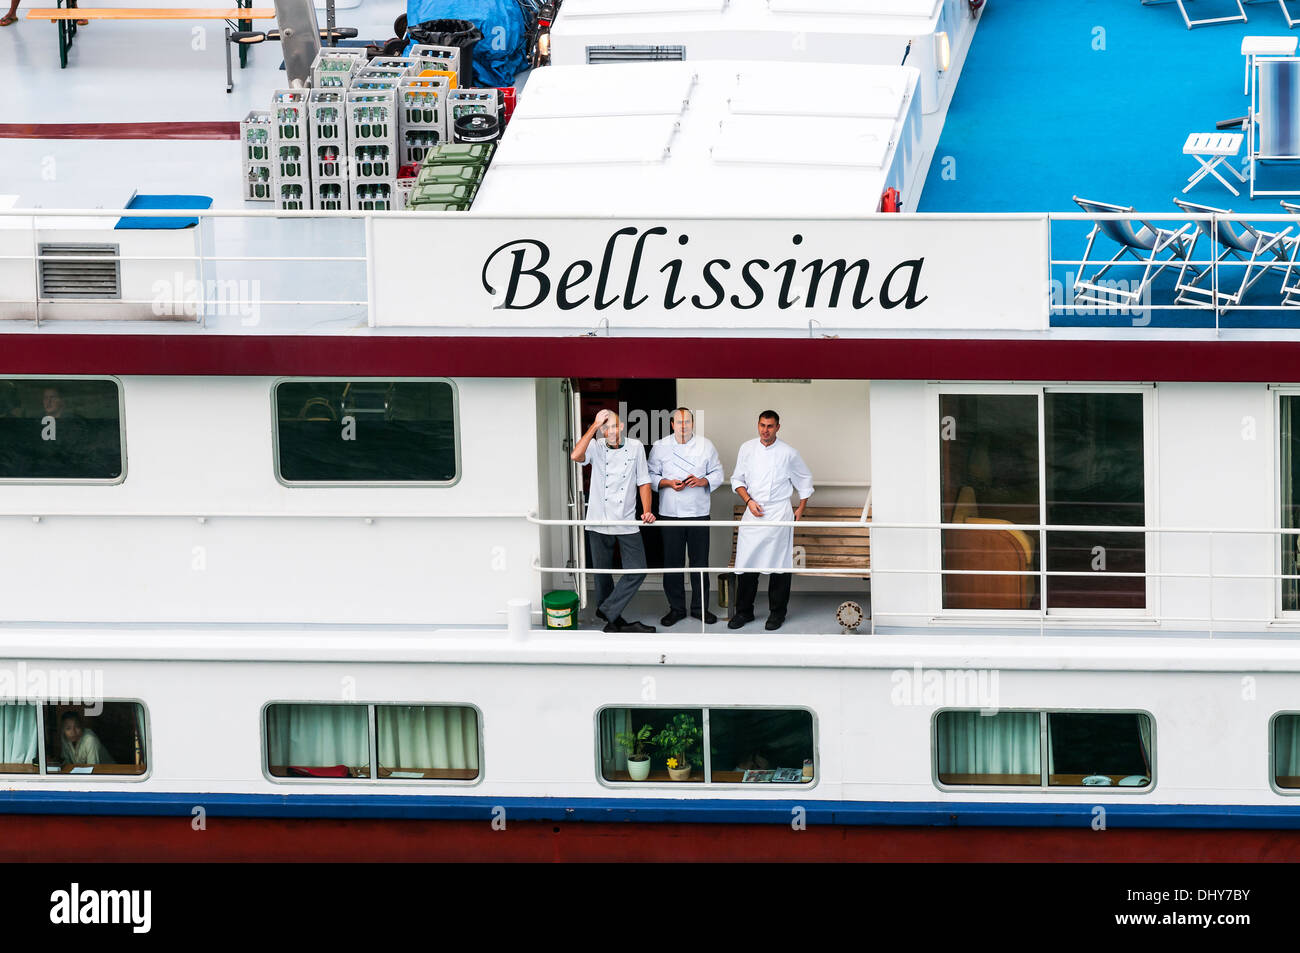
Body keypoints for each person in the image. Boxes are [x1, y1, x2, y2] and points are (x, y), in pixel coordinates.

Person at [571, 409, 657, 633]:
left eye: (614, 426)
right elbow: (575, 456)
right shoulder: (595, 446)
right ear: (601, 430)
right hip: (598, 519)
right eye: (605, 427)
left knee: (638, 570)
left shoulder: (636, 447)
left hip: (627, 519)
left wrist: (647, 510)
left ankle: (607, 609)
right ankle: (613, 619)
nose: (610, 431)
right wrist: (593, 427)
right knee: (602, 575)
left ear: (621, 427)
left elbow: (644, 481)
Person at [729, 410, 814, 631]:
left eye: (770, 426)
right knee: (747, 564)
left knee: (779, 566)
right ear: (757, 425)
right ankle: (743, 612)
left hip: (778, 513)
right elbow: (737, 479)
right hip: (753, 511)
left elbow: (805, 480)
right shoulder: (746, 449)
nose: (765, 430)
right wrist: (748, 501)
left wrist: (801, 508)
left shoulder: (788, 453)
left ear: (778, 427)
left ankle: (777, 614)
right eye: (762, 425)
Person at [648, 407, 723, 626]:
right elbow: (650, 475)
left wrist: (702, 481)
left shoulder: (706, 445)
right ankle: (676, 609)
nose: (683, 426)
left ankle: (700, 609)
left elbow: (718, 473)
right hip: (670, 513)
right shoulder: (660, 446)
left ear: (692, 424)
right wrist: (668, 483)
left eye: (687, 422)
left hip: (699, 513)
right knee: (673, 564)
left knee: (700, 562)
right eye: (679, 422)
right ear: (672, 424)